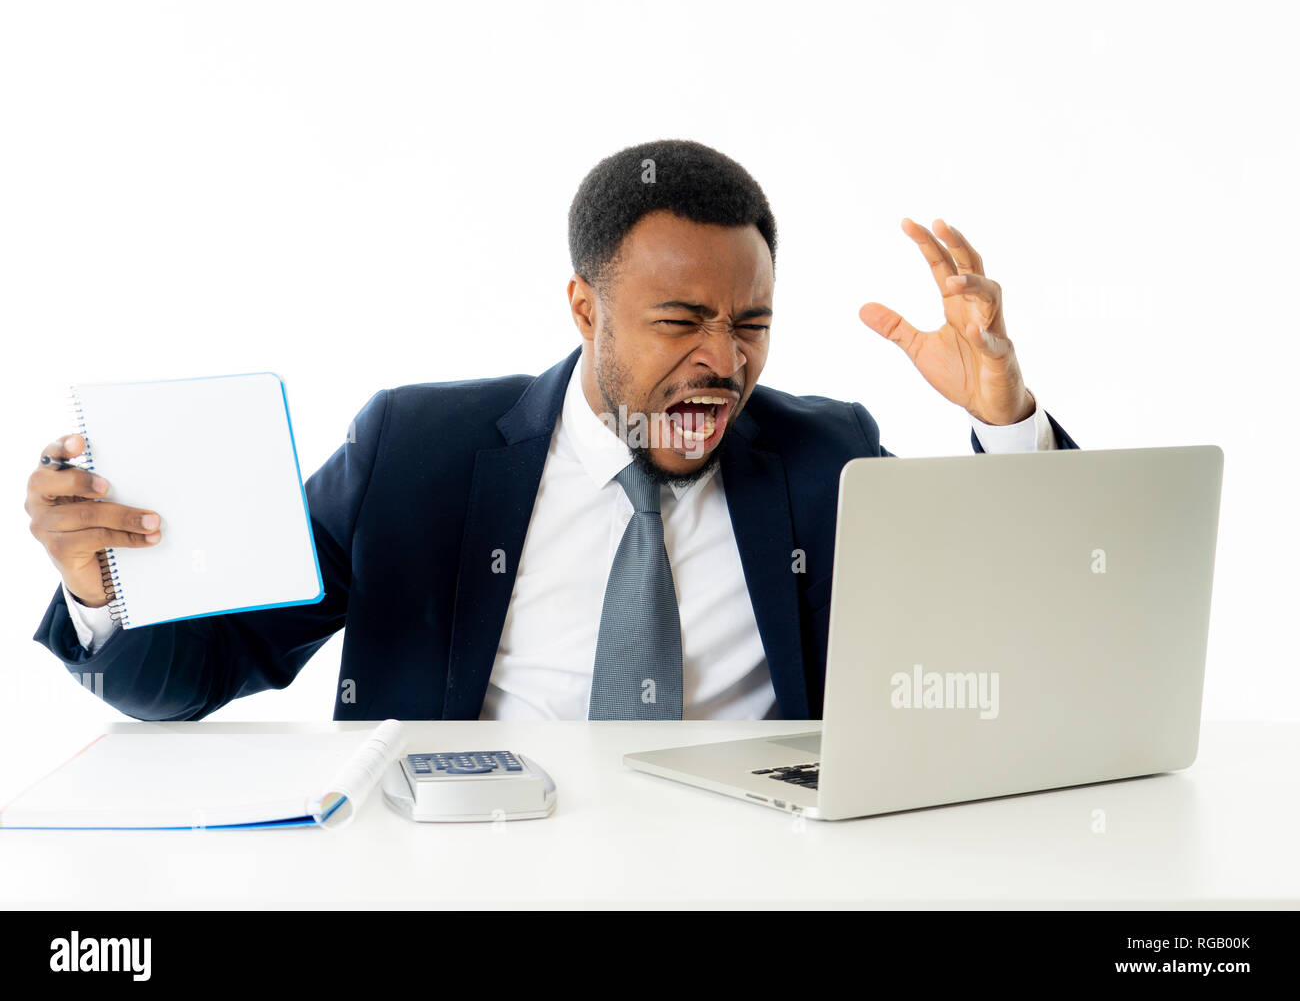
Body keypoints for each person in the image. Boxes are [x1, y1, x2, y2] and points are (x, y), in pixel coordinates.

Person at [27, 139, 1077, 721]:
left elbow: (1023, 630)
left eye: (750, 323)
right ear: (585, 309)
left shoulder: (823, 454)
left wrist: (1005, 421)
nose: (723, 361)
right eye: (681, 320)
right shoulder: (414, 451)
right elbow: (187, 679)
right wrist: (98, 586)